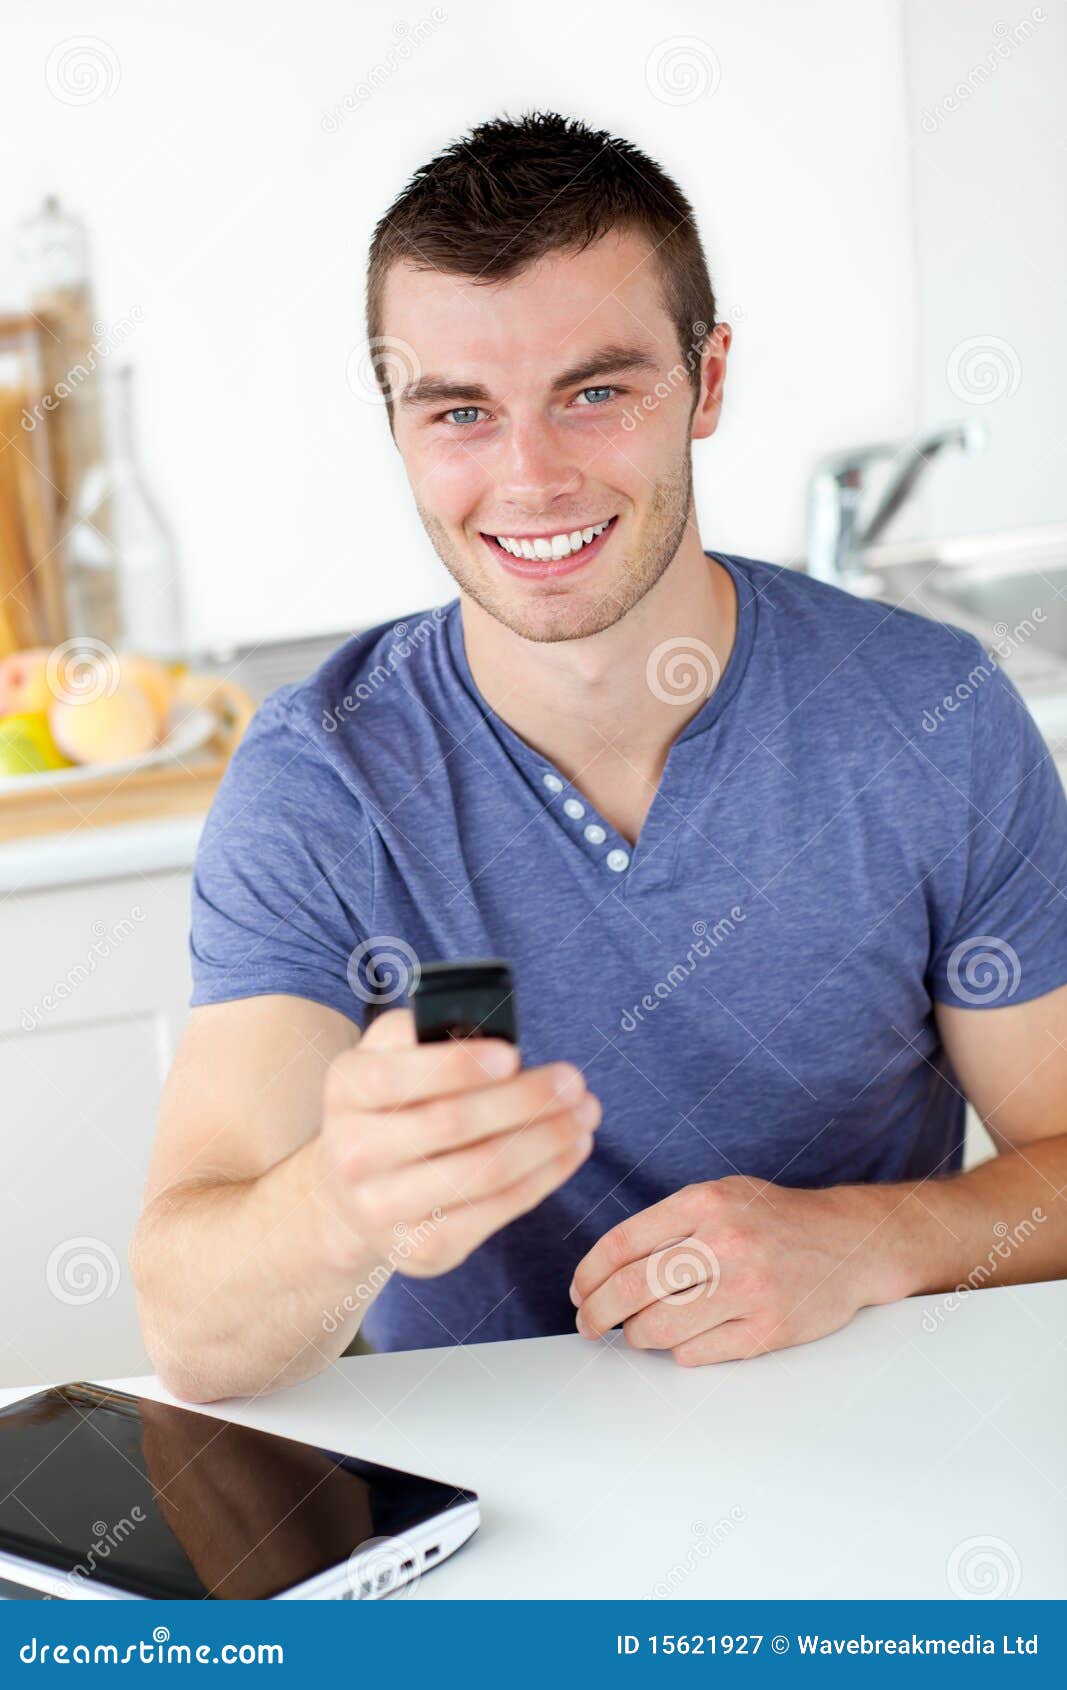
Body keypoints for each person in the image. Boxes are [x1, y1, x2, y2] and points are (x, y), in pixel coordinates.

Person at [131, 112, 1067, 1403]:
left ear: (709, 379)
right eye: (461, 410)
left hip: (866, 1434)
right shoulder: (324, 781)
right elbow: (192, 1327)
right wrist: (345, 1203)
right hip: (487, 1512)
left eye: (596, 391)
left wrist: (871, 1243)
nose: (530, 476)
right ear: (398, 426)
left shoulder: (933, 718)